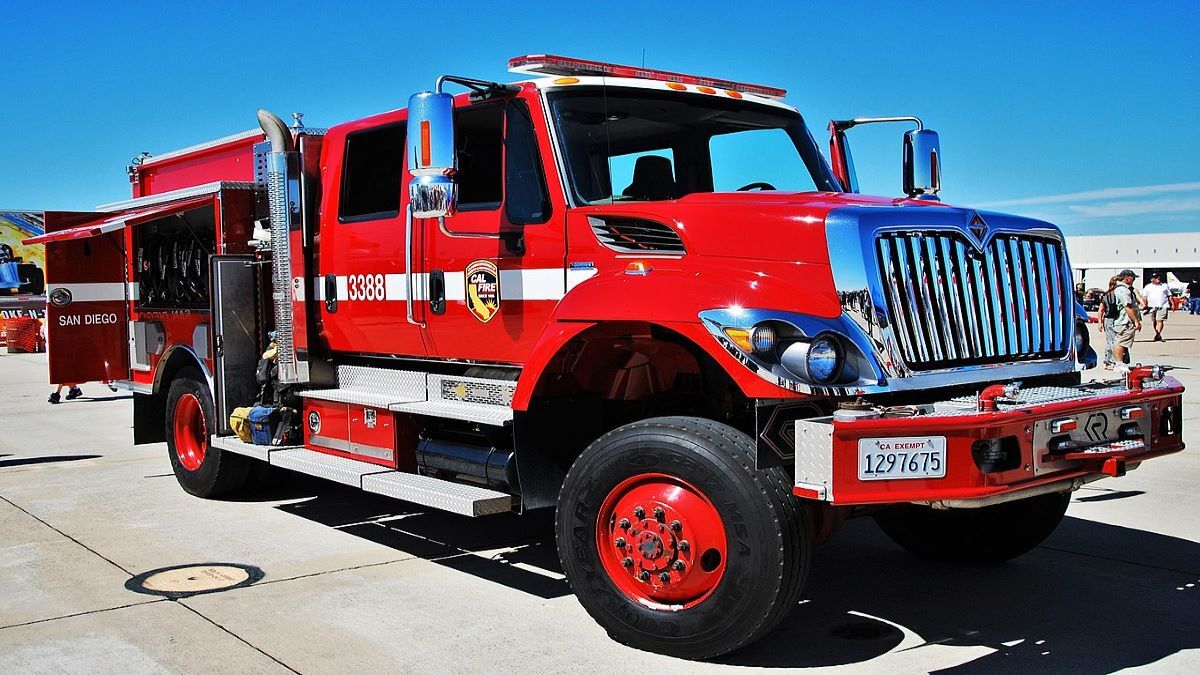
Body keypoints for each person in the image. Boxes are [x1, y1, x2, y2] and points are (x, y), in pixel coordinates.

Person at [1111, 269, 1142, 368]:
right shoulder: (1123, 290)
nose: (1134, 280)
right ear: (1126, 277)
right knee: (1121, 342)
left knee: (1122, 341)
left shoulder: (1125, 289)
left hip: (1124, 320)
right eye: (1132, 277)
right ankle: (1119, 363)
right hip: (1125, 321)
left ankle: (1120, 362)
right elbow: (1127, 306)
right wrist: (1136, 321)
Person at [1097, 275, 1122, 369]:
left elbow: (1101, 310)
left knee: (1113, 341)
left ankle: (1112, 360)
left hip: (1111, 319)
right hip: (1112, 319)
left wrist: (1100, 322)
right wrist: (1100, 322)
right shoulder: (1115, 294)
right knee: (1113, 341)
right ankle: (1110, 361)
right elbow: (1101, 309)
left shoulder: (1106, 295)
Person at [1141, 273, 1172, 341]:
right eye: (1155, 277)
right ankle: (1158, 334)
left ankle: (1158, 334)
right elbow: (1144, 297)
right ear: (1152, 279)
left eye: (1158, 277)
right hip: (1151, 306)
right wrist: (1144, 304)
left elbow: (1169, 295)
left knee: (1160, 320)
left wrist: (1172, 304)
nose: (1158, 279)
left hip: (1163, 305)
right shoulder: (1148, 287)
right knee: (1154, 321)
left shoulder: (1164, 285)